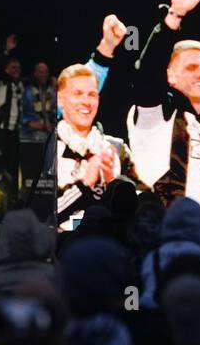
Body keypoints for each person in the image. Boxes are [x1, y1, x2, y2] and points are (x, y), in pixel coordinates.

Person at [128, 0, 200, 207]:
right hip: (162, 225)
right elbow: (147, 70)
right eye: (191, 68)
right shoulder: (159, 108)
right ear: (170, 76)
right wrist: (174, 16)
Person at [56, 62, 141, 233]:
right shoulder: (46, 150)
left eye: (92, 94)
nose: (86, 102)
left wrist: (114, 185)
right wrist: (85, 184)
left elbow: (141, 205)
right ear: (60, 99)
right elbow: (42, 215)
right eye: (78, 94)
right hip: (61, 246)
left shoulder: (117, 148)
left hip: (112, 241)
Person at [0, 50, 26, 187]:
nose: (16, 70)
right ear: (6, 69)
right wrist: (6, 51)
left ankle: (11, 197)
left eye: (18, 68)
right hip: (0, 131)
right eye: (13, 68)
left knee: (12, 165)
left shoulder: (20, 85)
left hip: (15, 132)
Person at [21, 61, 57, 185]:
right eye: (40, 72)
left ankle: (48, 176)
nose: (43, 75)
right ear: (35, 73)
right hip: (29, 132)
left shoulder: (52, 91)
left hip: (48, 133)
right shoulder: (27, 91)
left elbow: (56, 112)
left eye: (45, 72)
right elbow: (20, 112)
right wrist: (29, 123)